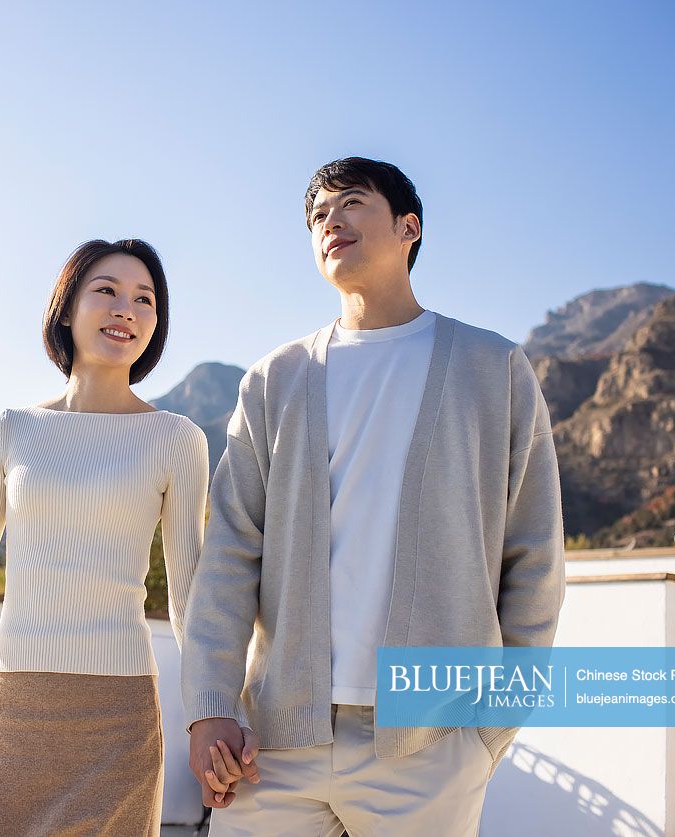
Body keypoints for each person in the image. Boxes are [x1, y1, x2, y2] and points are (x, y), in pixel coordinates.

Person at [181, 157, 567, 836]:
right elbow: (229, 551)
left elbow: (533, 553)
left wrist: (487, 728)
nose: (330, 220)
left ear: (407, 227)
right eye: (316, 215)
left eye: (350, 203)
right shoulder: (275, 378)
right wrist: (210, 703)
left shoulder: (491, 367)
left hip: (430, 745)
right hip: (273, 746)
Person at [0, 238, 210, 836]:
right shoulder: (11, 430)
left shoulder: (178, 439)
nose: (126, 310)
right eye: (106, 291)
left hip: (122, 713)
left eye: (145, 299)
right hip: (18, 707)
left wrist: (209, 714)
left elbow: (190, 593)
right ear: (66, 308)